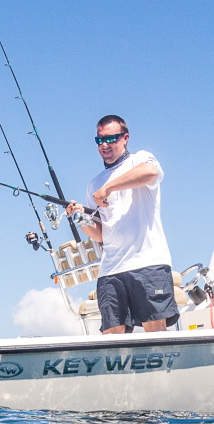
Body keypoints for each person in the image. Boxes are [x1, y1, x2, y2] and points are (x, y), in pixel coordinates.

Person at [65, 115, 178, 334]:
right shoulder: (93, 184)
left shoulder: (141, 159)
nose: (104, 145)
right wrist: (81, 218)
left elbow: (150, 172)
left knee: (155, 334)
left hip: (148, 262)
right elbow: (99, 234)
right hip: (111, 269)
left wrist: (110, 187)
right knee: (112, 339)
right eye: (99, 140)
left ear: (125, 138)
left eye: (111, 139)